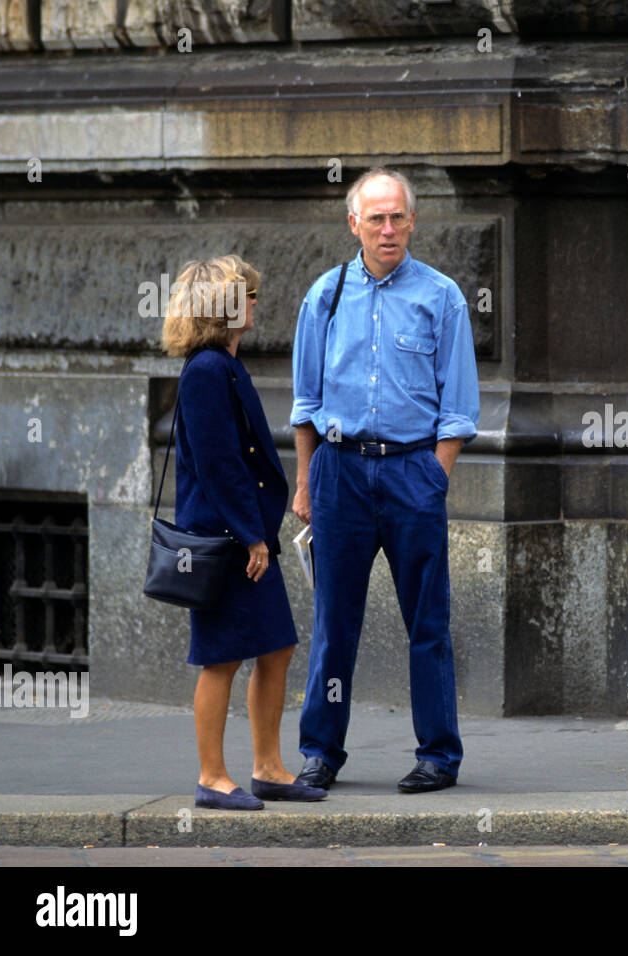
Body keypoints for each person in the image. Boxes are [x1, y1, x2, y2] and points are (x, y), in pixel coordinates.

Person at [290, 167, 480, 794]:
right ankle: (320, 752)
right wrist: (305, 483)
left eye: (398, 217)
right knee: (333, 624)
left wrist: (433, 478)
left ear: (413, 221)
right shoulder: (325, 296)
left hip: (411, 472)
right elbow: (306, 403)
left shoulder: (442, 297)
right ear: (355, 224)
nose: (389, 229)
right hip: (339, 472)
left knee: (428, 622)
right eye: (376, 218)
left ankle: (438, 755)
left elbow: (459, 408)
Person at [162, 255, 328, 810]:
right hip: (226, 541)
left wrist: (257, 533)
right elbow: (219, 465)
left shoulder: (227, 364)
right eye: (248, 295)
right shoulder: (207, 370)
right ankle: (212, 778)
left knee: (276, 646)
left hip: (248, 535)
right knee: (221, 657)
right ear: (224, 306)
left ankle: (268, 769)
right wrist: (251, 536)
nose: (257, 303)